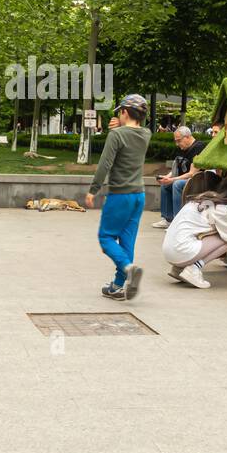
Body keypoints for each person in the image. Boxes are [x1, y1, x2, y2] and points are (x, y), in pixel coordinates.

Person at [84, 94, 151, 301]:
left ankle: (128, 268)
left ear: (123, 112)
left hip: (120, 195)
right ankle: (118, 286)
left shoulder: (116, 136)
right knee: (127, 241)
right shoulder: (146, 133)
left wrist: (93, 190)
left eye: (119, 113)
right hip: (138, 195)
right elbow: (132, 135)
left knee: (106, 238)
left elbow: (105, 164)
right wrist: (118, 129)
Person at [162, 173, 227, 289]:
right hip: (181, 251)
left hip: (169, 249)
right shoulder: (222, 210)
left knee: (225, 235)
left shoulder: (204, 197)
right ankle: (194, 269)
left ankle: (179, 269)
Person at [152, 126, 207, 230]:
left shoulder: (199, 147)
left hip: (196, 180)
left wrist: (172, 180)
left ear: (187, 137)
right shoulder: (183, 148)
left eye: (179, 141)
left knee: (176, 184)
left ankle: (178, 222)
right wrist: (166, 178)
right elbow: (176, 168)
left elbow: (192, 173)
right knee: (166, 185)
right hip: (184, 178)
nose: (177, 144)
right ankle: (168, 219)